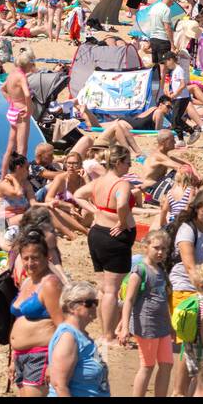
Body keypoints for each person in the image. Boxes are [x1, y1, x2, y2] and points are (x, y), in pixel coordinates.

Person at [74, 146, 138, 342]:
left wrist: (95, 210)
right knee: (111, 290)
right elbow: (122, 204)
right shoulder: (122, 184)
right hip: (114, 238)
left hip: (97, 234)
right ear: (118, 163)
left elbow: (77, 195)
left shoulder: (98, 181)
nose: (129, 166)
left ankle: (105, 332)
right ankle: (108, 335)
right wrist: (122, 221)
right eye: (128, 163)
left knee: (104, 289)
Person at [168, 189, 203, 397]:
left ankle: (188, 391)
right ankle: (178, 392)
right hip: (184, 287)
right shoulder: (187, 230)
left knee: (196, 342)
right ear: (197, 209)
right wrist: (201, 295)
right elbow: (190, 266)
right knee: (188, 341)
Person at [118, 230, 175, 397]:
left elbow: (163, 301)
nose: (160, 252)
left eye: (164, 249)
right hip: (146, 325)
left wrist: (170, 325)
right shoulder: (139, 270)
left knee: (167, 364)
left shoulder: (161, 270)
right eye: (156, 248)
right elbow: (129, 300)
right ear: (145, 247)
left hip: (162, 326)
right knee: (147, 366)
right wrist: (124, 327)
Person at [9, 228, 65, 397]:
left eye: (35, 258)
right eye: (25, 258)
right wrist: (13, 357)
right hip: (21, 356)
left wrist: (53, 363)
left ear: (47, 257)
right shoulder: (27, 281)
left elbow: (62, 327)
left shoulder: (50, 284)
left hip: (41, 356)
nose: (30, 263)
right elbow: (19, 319)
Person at [48, 281, 111, 396]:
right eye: (89, 303)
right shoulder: (68, 338)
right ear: (72, 307)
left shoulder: (82, 335)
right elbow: (59, 386)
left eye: (95, 302)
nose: (94, 306)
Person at [0, 46, 35, 178]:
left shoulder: (12, 74)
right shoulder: (21, 76)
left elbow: (2, 89)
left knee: (10, 148)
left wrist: (11, 101)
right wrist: (29, 109)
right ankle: (19, 178)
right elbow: (27, 94)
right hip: (21, 114)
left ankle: (3, 177)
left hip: (13, 111)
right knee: (22, 149)